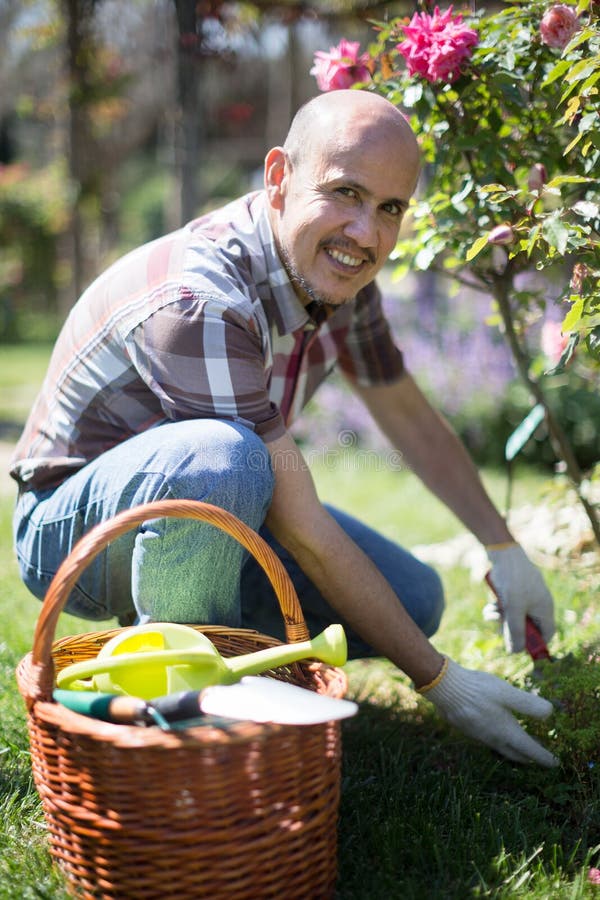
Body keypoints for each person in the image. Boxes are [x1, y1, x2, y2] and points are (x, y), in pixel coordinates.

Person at [11, 89, 557, 766]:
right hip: (76, 535)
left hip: (208, 504)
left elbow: (406, 412)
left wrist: (503, 547)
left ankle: (228, 649)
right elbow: (297, 519)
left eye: (390, 208)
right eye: (345, 193)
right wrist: (440, 681)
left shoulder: (339, 279)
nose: (365, 233)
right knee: (226, 458)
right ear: (279, 180)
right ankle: (189, 722)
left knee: (414, 600)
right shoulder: (200, 300)